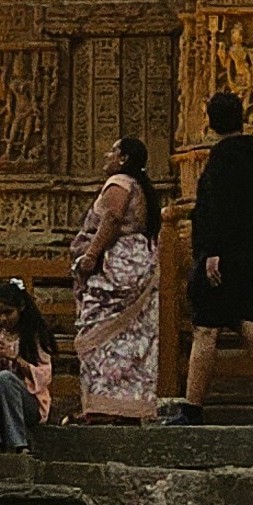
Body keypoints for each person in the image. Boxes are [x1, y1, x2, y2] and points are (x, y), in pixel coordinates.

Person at [182, 91, 253, 425]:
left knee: (206, 330)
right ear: (242, 117)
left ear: (212, 122)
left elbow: (215, 209)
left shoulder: (221, 159)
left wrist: (210, 252)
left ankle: (192, 409)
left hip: (225, 258)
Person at [70, 137, 162, 423]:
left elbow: (110, 220)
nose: (107, 155)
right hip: (138, 260)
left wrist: (91, 255)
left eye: (113, 151)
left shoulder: (120, 183)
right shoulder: (140, 187)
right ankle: (127, 407)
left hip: (116, 264)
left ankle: (102, 407)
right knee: (132, 338)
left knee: (96, 333)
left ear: (123, 158)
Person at [0, 277, 53, 455]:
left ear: (21, 308)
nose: (2, 318)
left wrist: (15, 358)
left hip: (28, 403)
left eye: (8, 313)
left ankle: (18, 442)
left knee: (5, 377)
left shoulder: (33, 337)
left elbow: (44, 376)